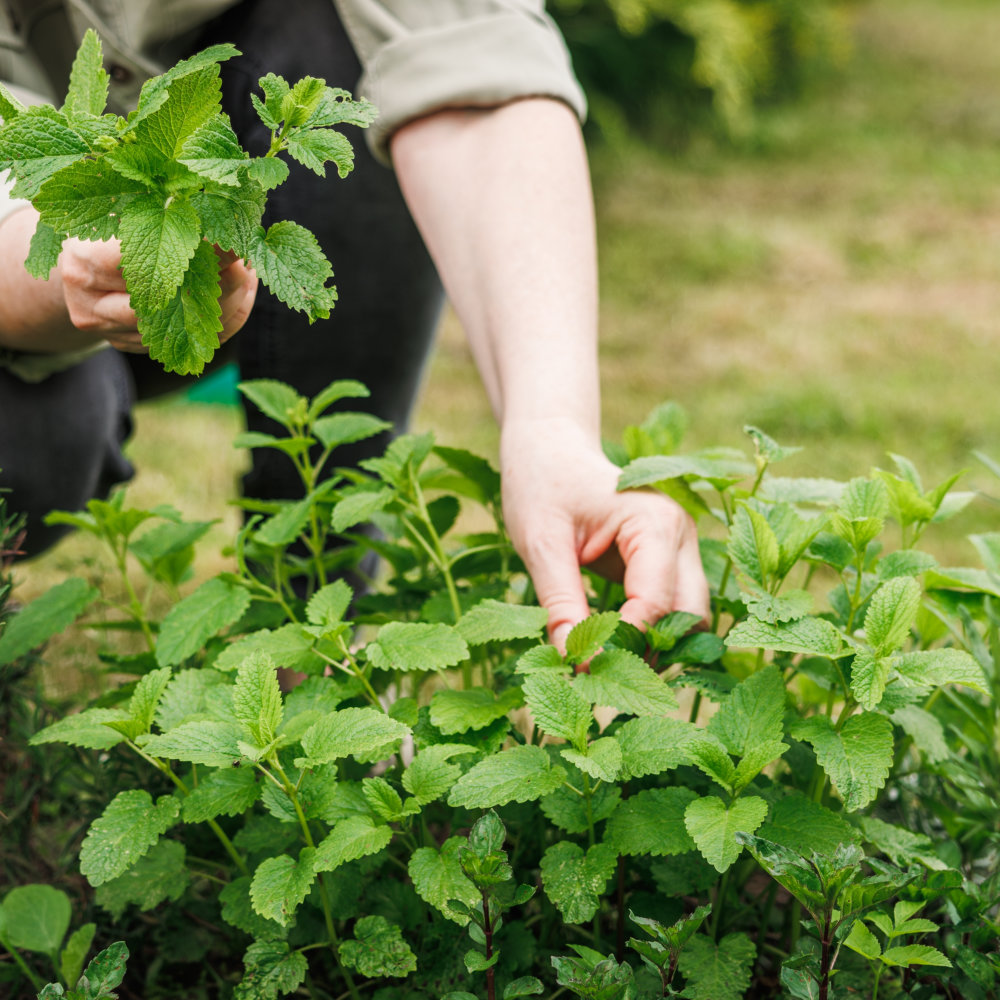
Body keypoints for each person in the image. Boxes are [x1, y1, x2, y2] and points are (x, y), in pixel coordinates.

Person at [0, 0, 708, 650]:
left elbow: (466, 45)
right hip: (32, 235)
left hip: (199, 245)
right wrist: (63, 259)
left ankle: (316, 643)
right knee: (41, 443)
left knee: (348, 60)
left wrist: (555, 434)